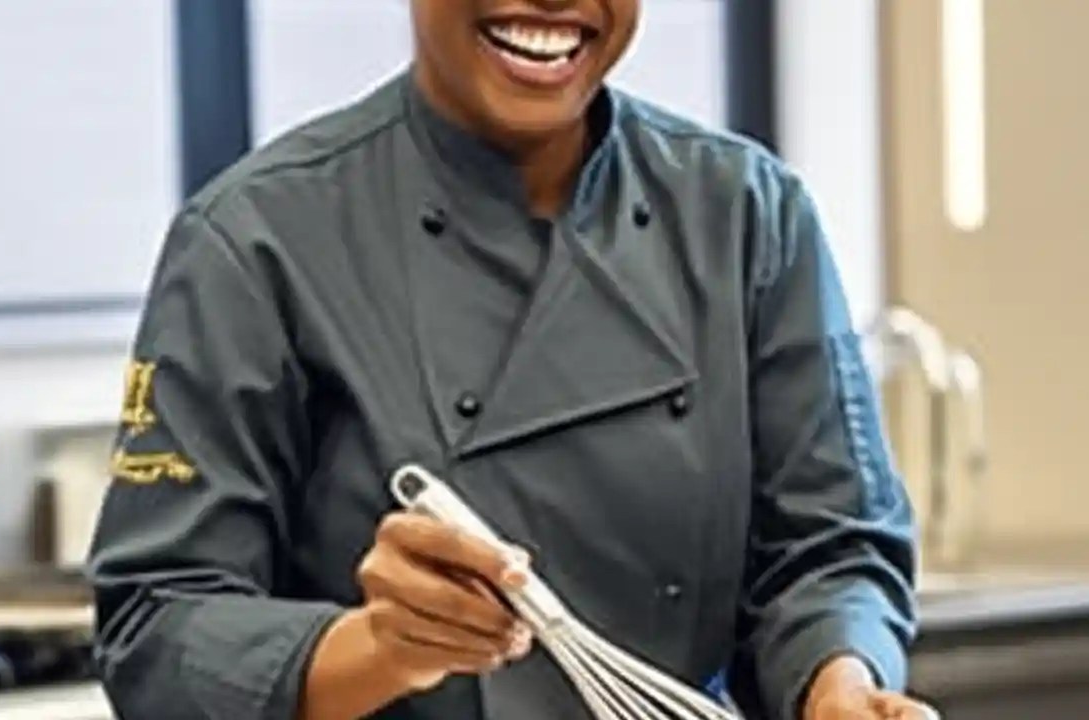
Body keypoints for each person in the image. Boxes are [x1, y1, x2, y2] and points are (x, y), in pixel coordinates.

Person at [86, 1, 937, 718]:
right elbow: (157, 627)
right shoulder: (255, 241)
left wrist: (839, 683)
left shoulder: (749, 215)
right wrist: (379, 646)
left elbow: (833, 546)